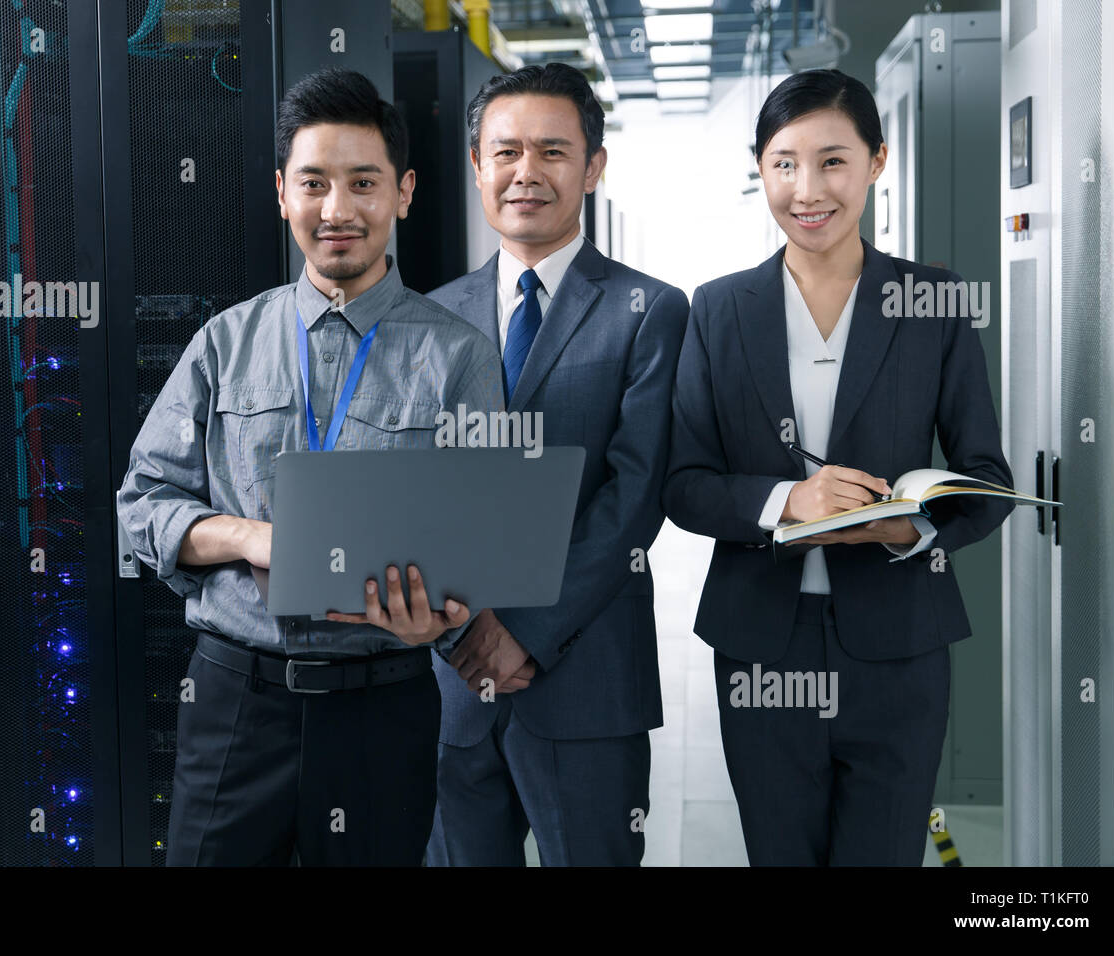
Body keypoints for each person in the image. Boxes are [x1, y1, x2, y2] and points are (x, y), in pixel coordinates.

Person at [116, 68, 504, 866]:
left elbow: (483, 535)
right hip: (234, 708)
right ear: (282, 195)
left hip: (382, 707)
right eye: (314, 183)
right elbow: (141, 502)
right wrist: (249, 538)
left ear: (403, 193)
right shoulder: (224, 343)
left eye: (363, 183)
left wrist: (444, 618)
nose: (338, 210)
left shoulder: (458, 357)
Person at [662, 68, 1014, 865]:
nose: (807, 188)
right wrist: (791, 500)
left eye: (833, 161)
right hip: (761, 647)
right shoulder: (719, 309)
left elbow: (984, 477)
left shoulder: (934, 303)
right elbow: (684, 484)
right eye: (784, 163)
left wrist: (908, 531)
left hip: (901, 648)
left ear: (876, 162)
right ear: (760, 172)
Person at [423, 63, 689, 866]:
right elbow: (418, 493)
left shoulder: (648, 310)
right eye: (504, 152)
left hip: (586, 679)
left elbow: (636, 494)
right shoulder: (431, 316)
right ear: (477, 166)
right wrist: (467, 632)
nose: (525, 173)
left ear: (593, 166)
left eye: (552, 151)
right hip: (453, 682)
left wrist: (528, 631)